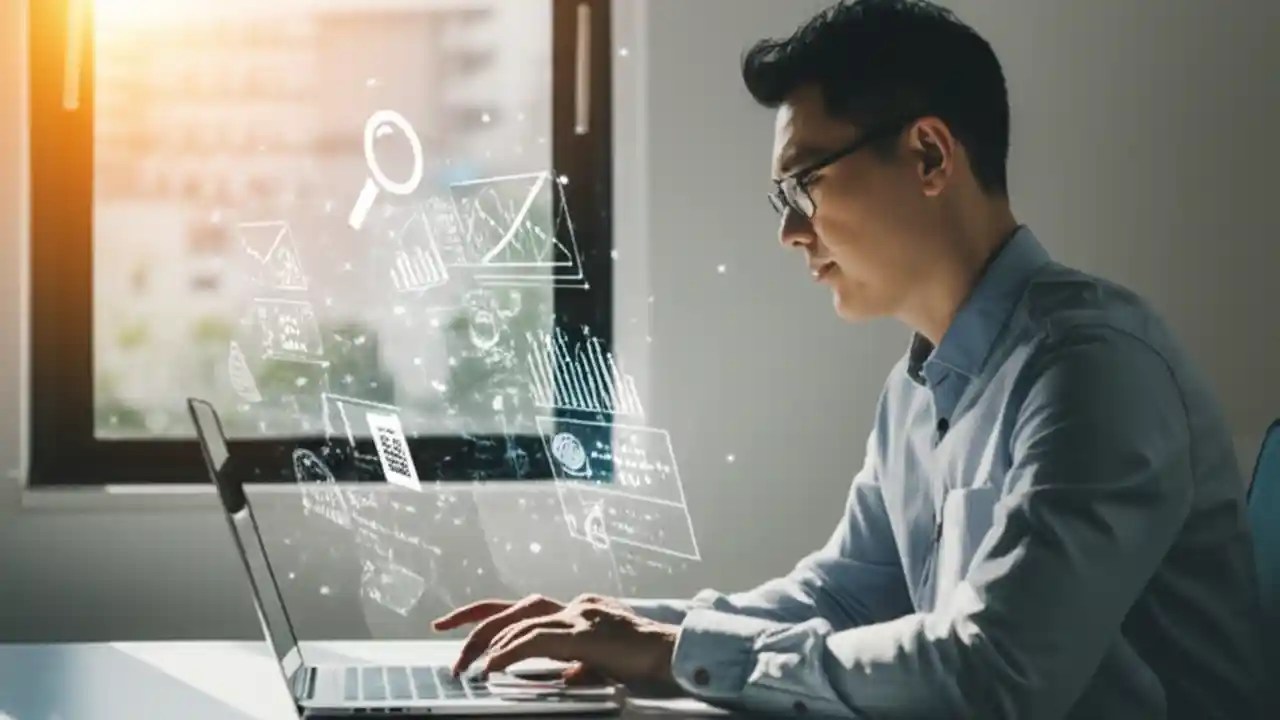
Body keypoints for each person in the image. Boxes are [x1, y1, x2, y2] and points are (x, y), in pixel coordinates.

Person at [432, 1, 1267, 716]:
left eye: (807, 185)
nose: (790, 232)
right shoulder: (916, 392)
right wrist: (618, 625)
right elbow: (840, 597)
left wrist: (674, 648)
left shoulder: (1094, 370)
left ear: (931, 156)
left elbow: (998, 672)